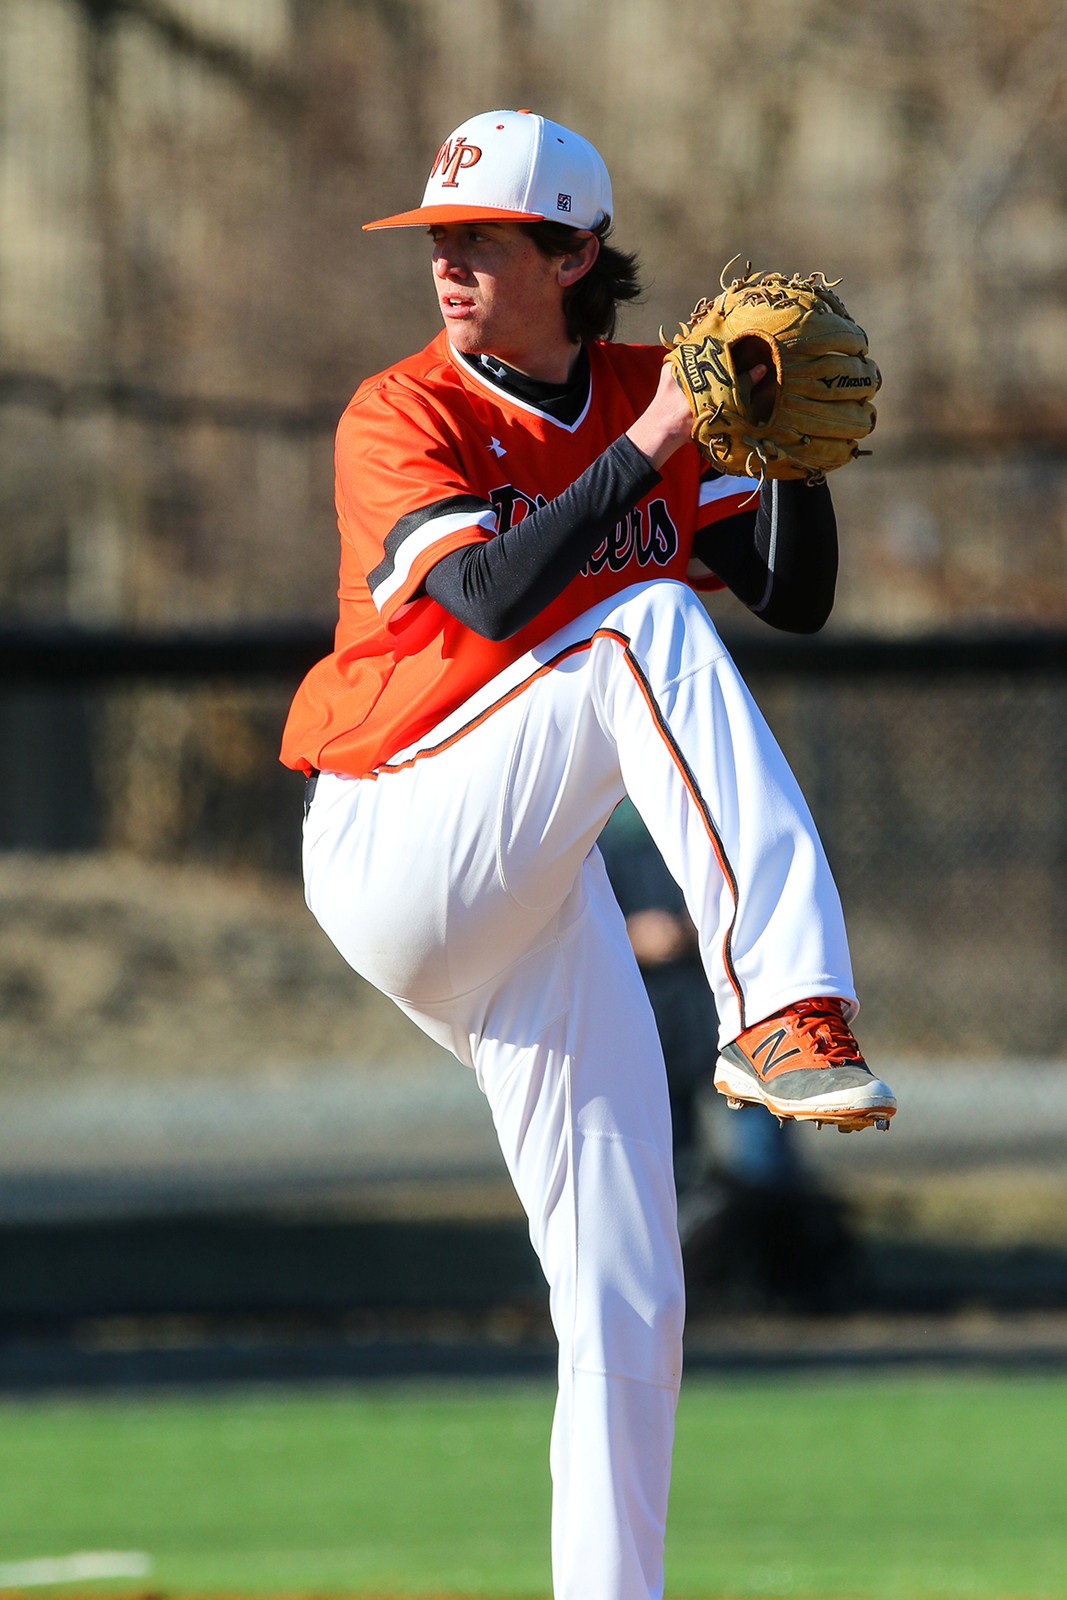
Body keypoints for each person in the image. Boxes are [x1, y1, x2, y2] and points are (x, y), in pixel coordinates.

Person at [280, 108, 895, 1600]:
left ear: (572, 254)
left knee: (629, 1290)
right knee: (645, 623)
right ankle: (785, 1004)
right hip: (398, 833)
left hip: (536, 899)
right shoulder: (402, 411)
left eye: (480, 241)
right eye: (438, 241)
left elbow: (793, 598)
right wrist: (664, 438)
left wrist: (787, 454)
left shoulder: (650, 391)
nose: (447, 266)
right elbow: (494, 599)